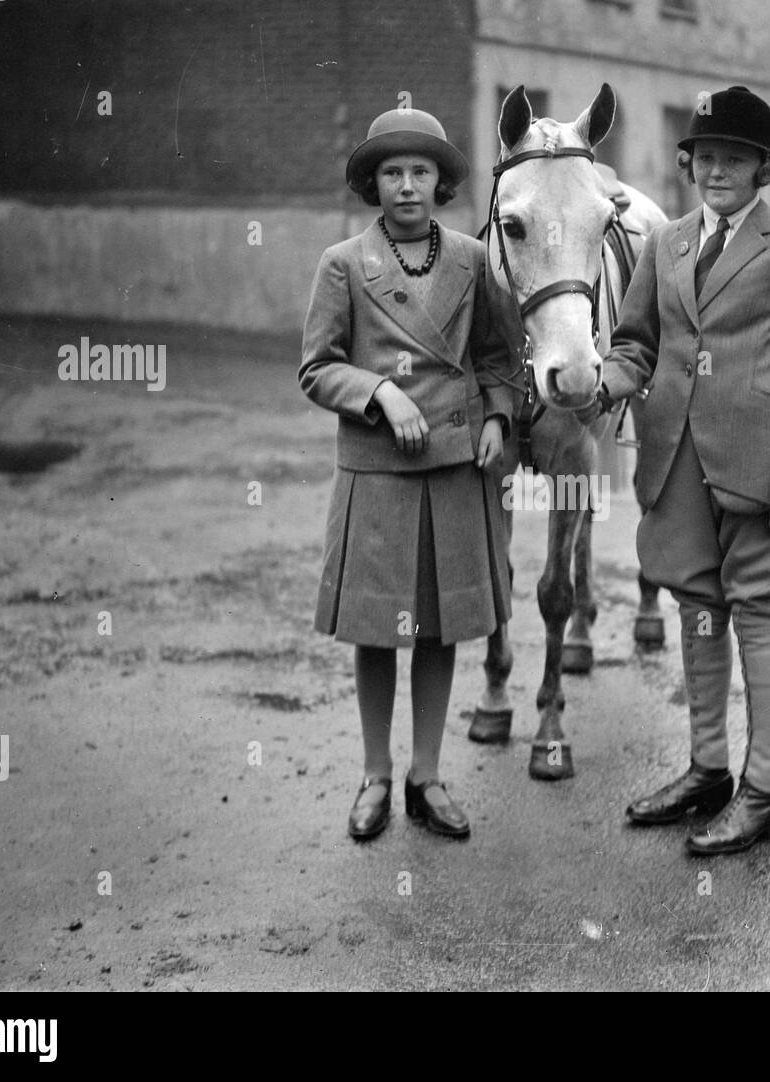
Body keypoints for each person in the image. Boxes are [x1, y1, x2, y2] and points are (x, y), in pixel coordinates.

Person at [579, 86, 770, 855]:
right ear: (689, 162)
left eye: (735, 158)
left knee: (759, 616)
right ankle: (708, 772)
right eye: (705, 156)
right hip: (676, 463)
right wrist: (602, 383)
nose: (715, 169)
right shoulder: (669, 245)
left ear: (763, 170)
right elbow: (635, 344)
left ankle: (762, 793)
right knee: (697, 605)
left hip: (761, 473)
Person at [299, 107, 514, 842]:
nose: (407, 186)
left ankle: (426, 775)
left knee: (440, 627)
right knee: (376, 630)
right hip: (378, 470)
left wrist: (497, 418)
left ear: (441, 181)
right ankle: (375, 777)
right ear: (373, 183)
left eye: (420, 171)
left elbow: (497, 358)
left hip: (456, 467)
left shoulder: (474, 260)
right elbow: (317, 368)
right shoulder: (342, 264)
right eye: (391, 172)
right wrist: (379, 392)